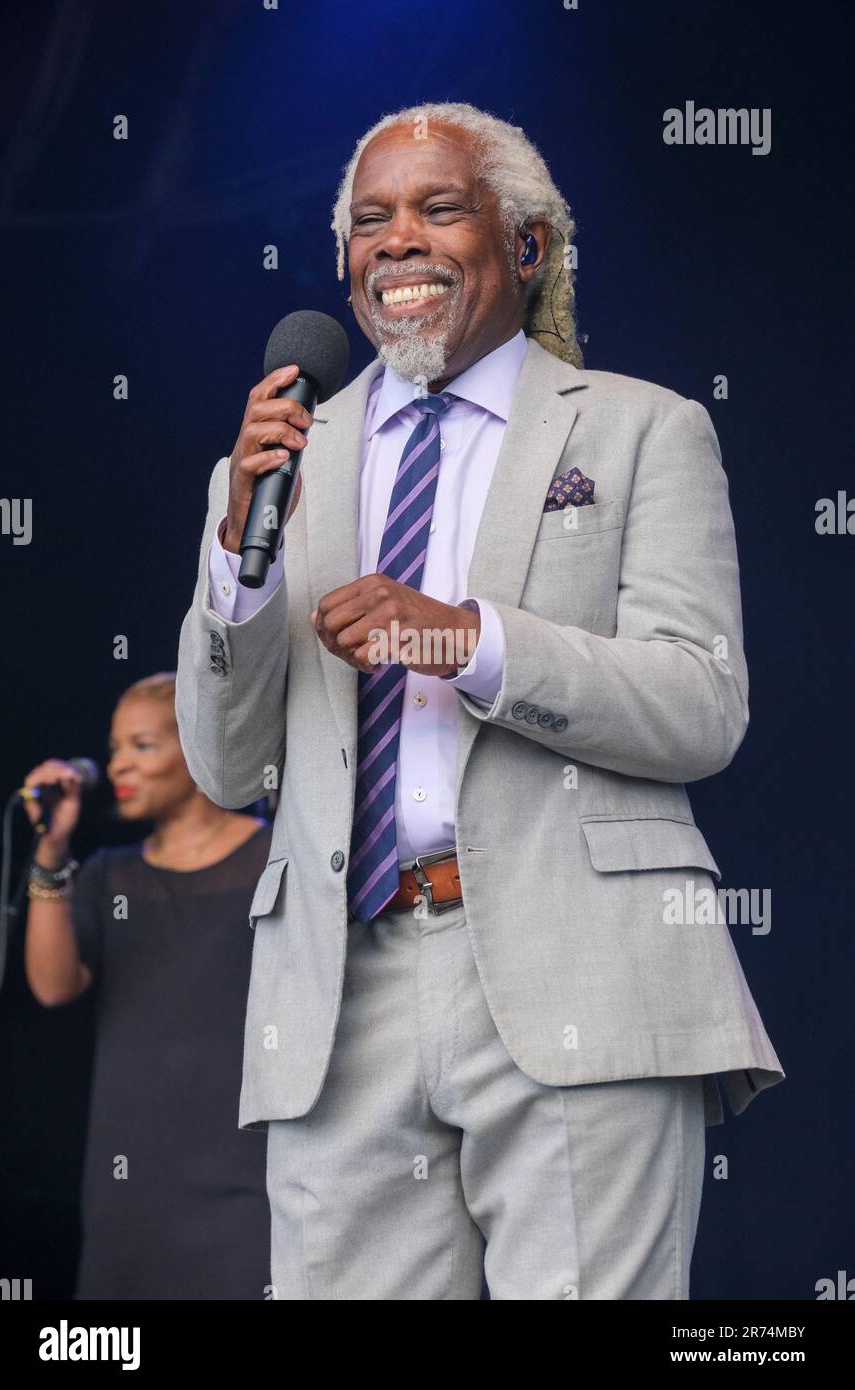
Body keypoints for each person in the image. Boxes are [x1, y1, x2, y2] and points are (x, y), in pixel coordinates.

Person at [175, 100, 785, 1300]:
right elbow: (225, 766)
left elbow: (700, 703)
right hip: (338, 995)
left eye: (438, 208)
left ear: (527, 244)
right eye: (369, 221)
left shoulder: (641, 428)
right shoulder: (274, 465)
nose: (396, 239)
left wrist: (471, 641)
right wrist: (238, 568)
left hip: (579, 969)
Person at [22, 672, 271, 1300]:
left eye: (142, 746)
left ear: (198, 745)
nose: (117, 766)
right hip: (132, 1180)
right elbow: (53, 987)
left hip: (248, 1175)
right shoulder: (111, 877)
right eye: (114, 749)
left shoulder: (275, 857)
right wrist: (51, 853)